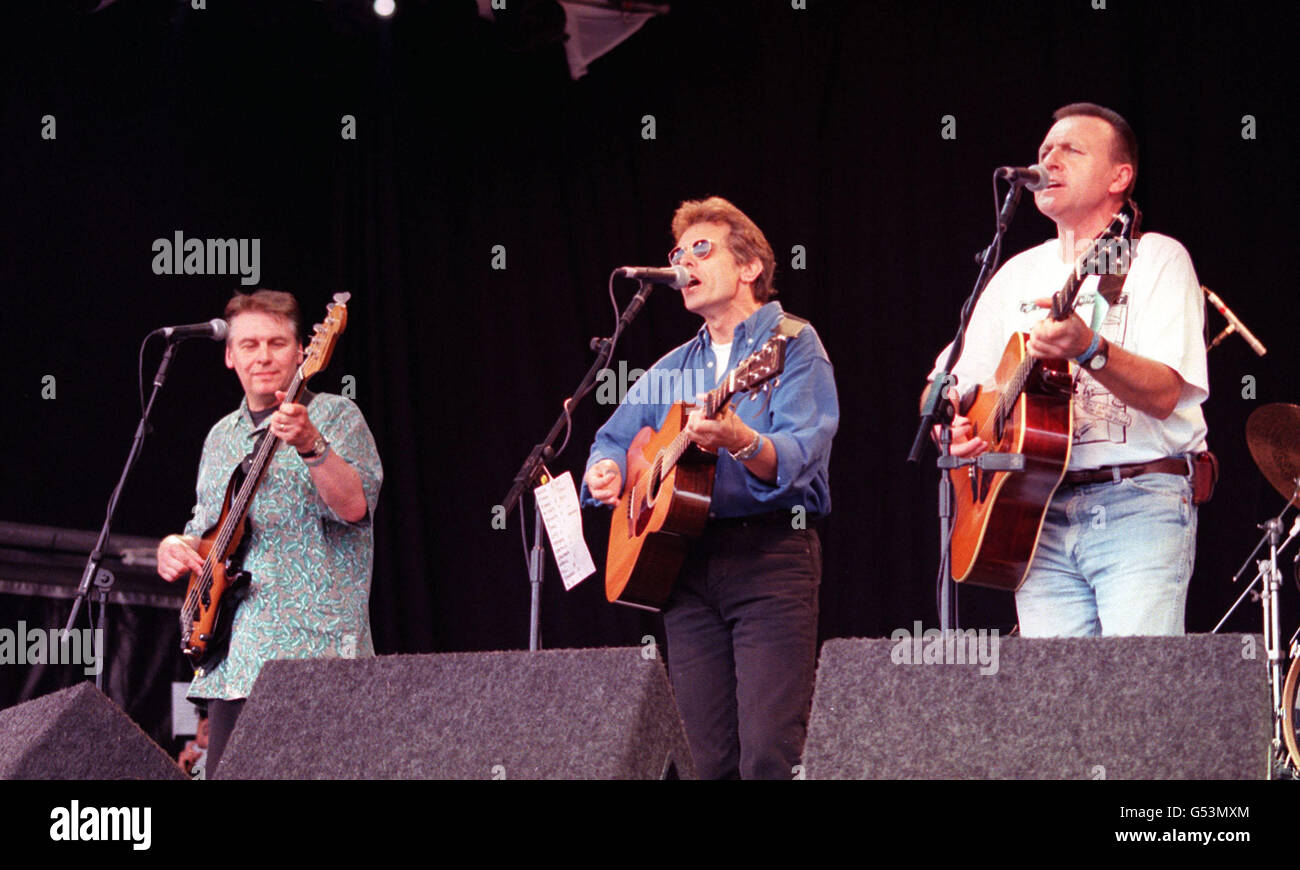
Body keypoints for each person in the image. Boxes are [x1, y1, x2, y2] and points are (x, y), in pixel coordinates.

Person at [927, 103, 1208, 637]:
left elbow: (1167, 393)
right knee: (1058, 711)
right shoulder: (1015, 272)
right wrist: (954, 423)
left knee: (1136, 697)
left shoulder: (1155, 259)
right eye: (1043, 152)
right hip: (1032, 509)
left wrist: (1089, 348)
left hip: (1139, 502)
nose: (1049, 159)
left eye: (1070, 150)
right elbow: (947, 382)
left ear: (1119, 178)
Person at [583, 196, 839, 779]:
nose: (683, 262)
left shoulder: (791, 344)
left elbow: (800, 456)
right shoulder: (672, 365)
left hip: (769, 559)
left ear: (749, 268)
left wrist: (741, 439)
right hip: (684, 567)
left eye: (703, 249)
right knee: (704, 761)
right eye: (677, 253)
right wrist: (609, 472)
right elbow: (613, 441)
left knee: (769, 753)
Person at [156, 289, 382, 776]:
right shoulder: (220, 436)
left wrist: (311, 444)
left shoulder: (337, 417)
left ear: (303, 351)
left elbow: (355, 507)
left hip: (316, 659)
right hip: (234, 664)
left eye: (277, 343)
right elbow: (204, 531)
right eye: (250, 344)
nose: (263, 356)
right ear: (228, 355)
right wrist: (174, 547)